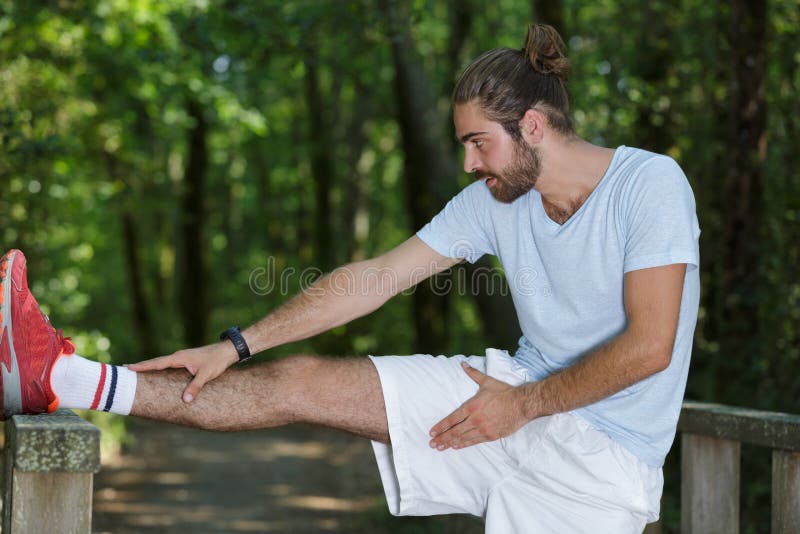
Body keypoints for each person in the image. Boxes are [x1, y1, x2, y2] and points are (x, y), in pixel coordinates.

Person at [0, 23, 699, 533]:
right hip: (508, 397)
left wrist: (522, 407)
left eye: (478, 143)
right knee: (301, 381)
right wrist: (238, 344)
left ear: (536, 128)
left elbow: (651, 348)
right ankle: (57, 375)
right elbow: (373, 278)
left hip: (603, 459)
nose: (468, 165)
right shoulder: (495, 200)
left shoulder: (649, 185)